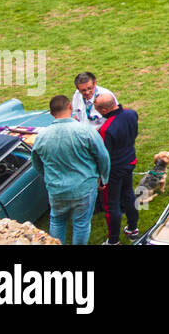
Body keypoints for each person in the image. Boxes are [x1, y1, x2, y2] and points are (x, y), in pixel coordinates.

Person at [30, 94, 110, 246]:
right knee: (81, 224)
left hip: (56, 189)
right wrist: (103, 178)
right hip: (84, 188)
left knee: (57, 220)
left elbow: (37, 164)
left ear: (51, 113)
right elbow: (103, 157)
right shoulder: (86, 131)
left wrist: (49, 179)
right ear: (70, 107)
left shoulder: (41, 137)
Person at [94, 93, 140, 244]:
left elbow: (103, 156)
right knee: (128, 194)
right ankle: (133, 229)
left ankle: (113, 241)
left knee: (111, 205)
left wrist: (100, 178)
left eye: (97, 108)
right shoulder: (131, 113)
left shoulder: (106, 129)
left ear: (104, 110)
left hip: (113, 170)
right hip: (130, 161)